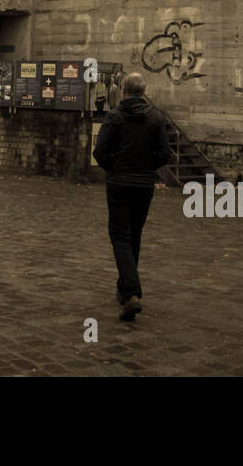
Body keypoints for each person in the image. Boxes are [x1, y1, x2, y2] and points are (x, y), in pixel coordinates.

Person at [92, 72, 173, 321]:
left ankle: (131, 293)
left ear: (124, 90)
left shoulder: (115, 116)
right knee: (134, 234)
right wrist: (147, 168)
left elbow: (100, 152)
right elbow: (165, 153)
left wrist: (115, 169)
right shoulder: (156, 118)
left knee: (120, 236)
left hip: (119, 184)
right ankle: (124, 289)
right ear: (143, 92)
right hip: (143, 185)